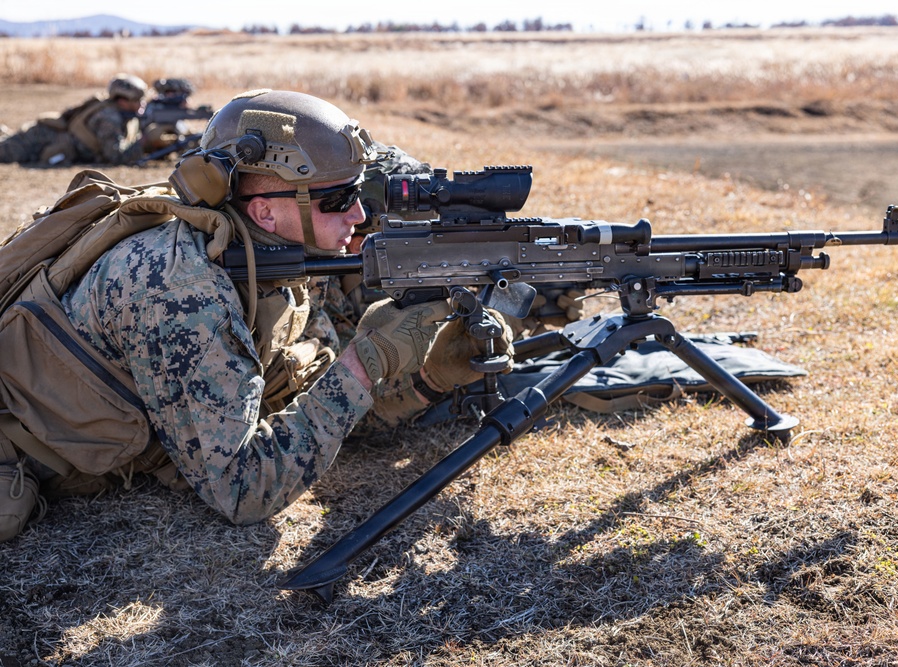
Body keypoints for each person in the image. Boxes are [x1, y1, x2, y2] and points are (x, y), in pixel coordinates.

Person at [0, 89, 513, 540]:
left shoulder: (264, 257)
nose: (358, 216)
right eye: (338, 199)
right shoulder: (182, 289)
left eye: (359, 194)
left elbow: (308, 410)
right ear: (264, 208)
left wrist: (429, 380)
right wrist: (368, 360)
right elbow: (243, 491)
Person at [0, 74, 148, 166]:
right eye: (137, 100)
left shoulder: (123, 114)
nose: (142, 104)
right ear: (122, 101)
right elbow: (116, 156)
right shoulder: (108, 117)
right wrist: (146, 142)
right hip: (42, 138)